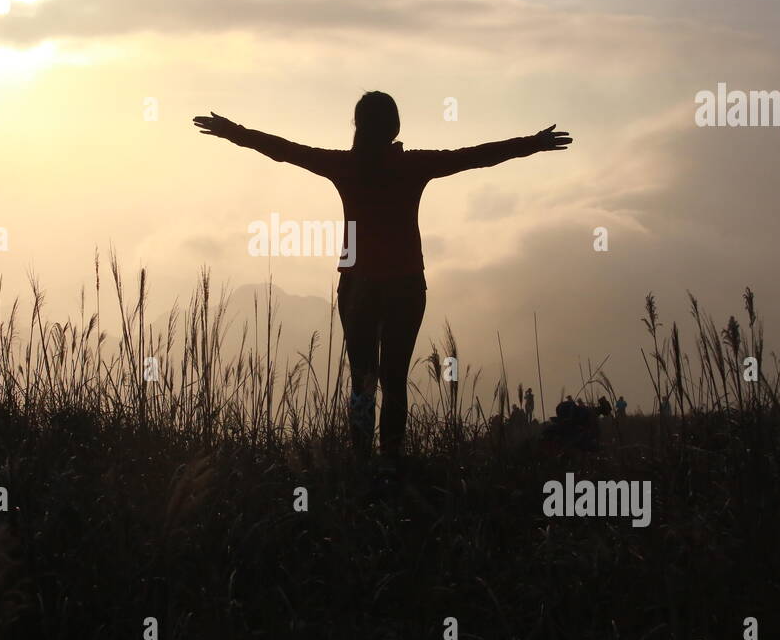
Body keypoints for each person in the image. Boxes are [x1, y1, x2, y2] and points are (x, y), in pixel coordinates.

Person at [194, 93, 571, 472]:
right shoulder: (411, 165)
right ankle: (391, 458)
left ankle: (360, 460)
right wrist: (533, 144)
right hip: (406, 285)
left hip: (357, 285)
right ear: (394, 127)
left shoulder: (345, 165)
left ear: (358, 126)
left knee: (362, 380)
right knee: (394, 379)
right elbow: (474, 156)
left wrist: (232, 132)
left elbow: (284, 150)